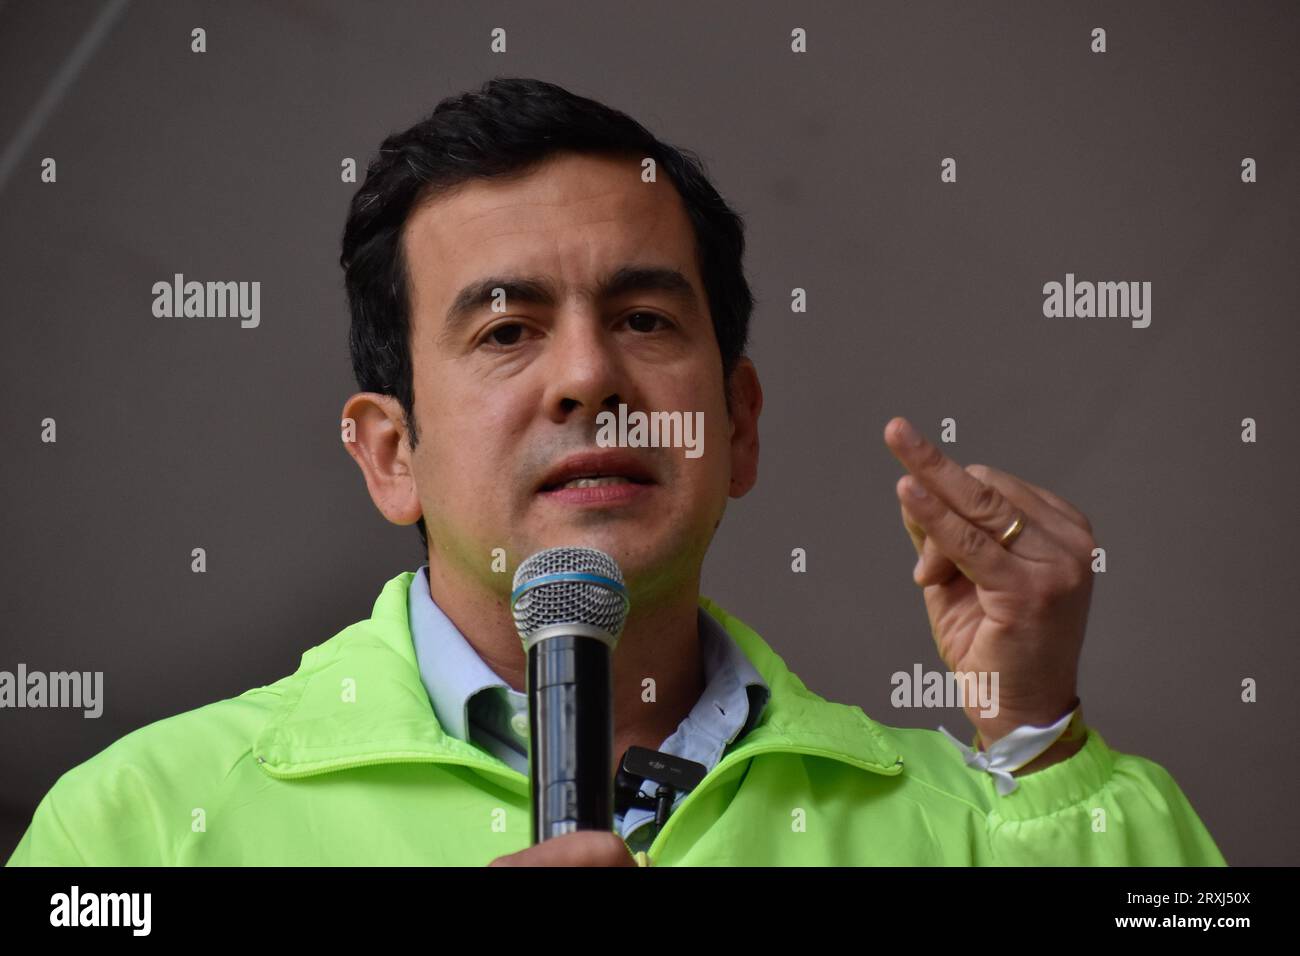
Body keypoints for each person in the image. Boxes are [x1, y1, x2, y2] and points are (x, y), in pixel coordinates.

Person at [7, 77, 1224, 866]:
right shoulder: (136, 830)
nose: (589, 377)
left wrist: (1040, 741)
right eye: (504, 331)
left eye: (645, 319)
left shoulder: (966, 827)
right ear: (392, 455)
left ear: (737, 427)